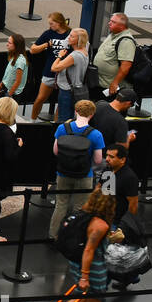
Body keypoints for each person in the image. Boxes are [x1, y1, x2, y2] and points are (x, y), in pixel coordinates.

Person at [65, 189, 116, 302]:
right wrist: (85, 276)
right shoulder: (100, 225)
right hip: (92, 268)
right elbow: (89, 250)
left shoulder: (82, 216)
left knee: (79, 297)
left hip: (75, 261)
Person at [49, 99, 106, 239]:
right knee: (80, 208)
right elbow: (98, 160)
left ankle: (53, 235)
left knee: (61, 204)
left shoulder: (63, 128)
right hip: (84, 175)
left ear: (76, 111)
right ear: (92, 114)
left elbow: (56, 151)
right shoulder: (96, 134)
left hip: (62, 173)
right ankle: (73, 237)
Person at [51, 27, 90, 123]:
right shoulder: (85, 50)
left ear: (78, 40)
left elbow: (54, 68)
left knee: (64, 119)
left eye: (72, 37)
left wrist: (59, 56)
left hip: (67, 91)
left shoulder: (74, 55)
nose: (68, 38)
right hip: (78, 89)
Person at [96, 143, 139, 222]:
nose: (107, 159)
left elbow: (133, 204)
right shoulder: (108, 169)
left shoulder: (129, 178)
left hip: (116, 220)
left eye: (111, 157)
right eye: (107, 155)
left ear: (122, 160)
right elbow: (98, 187)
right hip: (101, 215)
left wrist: (127, 224)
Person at [0, 32, 29, 100]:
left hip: (12, 93)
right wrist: (0, 86)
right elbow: (7, 74)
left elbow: (18, 81)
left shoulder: (20, 61)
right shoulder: (13, 56)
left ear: (17, 46)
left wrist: (8, 96)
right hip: (6, 88)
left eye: (10, 43)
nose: (7, 44)